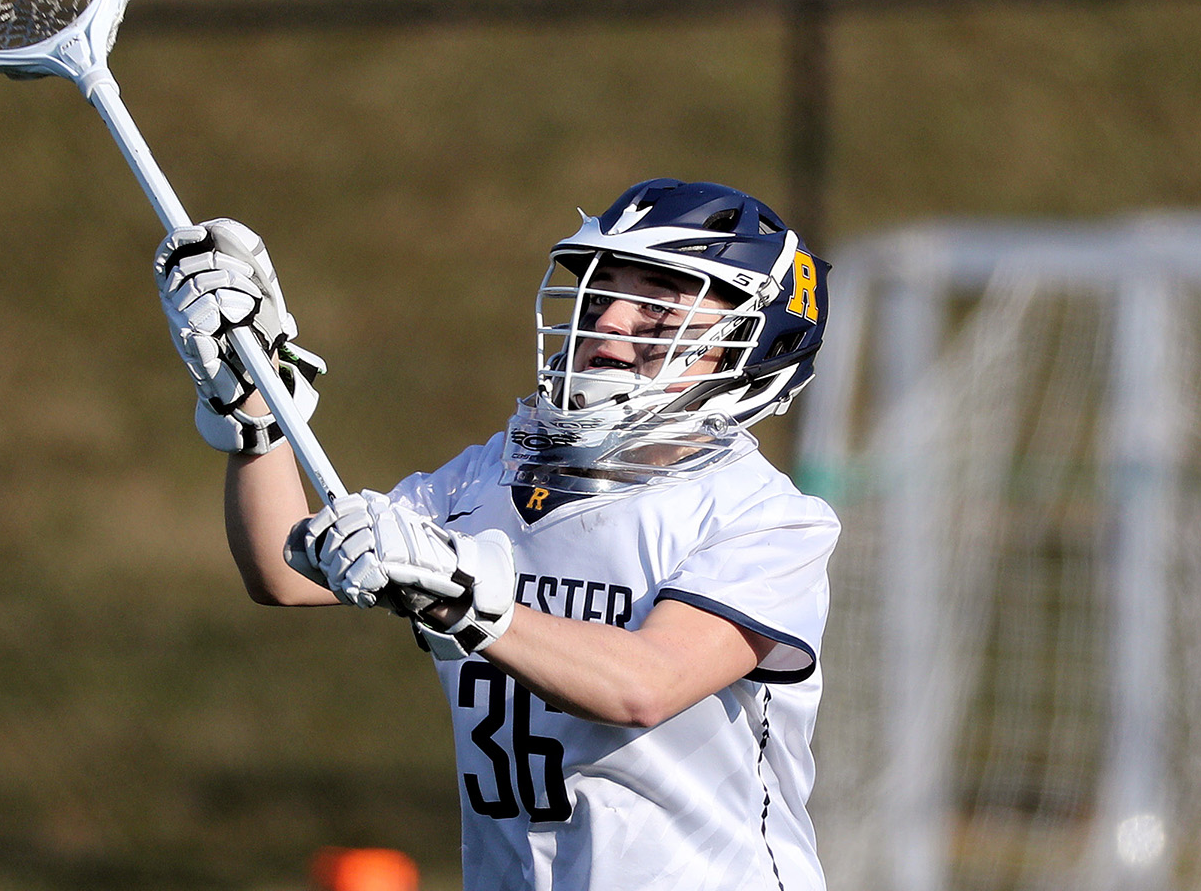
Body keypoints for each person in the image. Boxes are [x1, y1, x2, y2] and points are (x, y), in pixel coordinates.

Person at [154, 178, 839, 891]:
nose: (608, 322)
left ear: (753, 341)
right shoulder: (493, 474)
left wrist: (463, 597)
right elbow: (284, 568)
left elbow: (646, 685)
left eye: (659, 308)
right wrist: (252, 407)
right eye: (599, 296)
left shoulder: (765, 518)